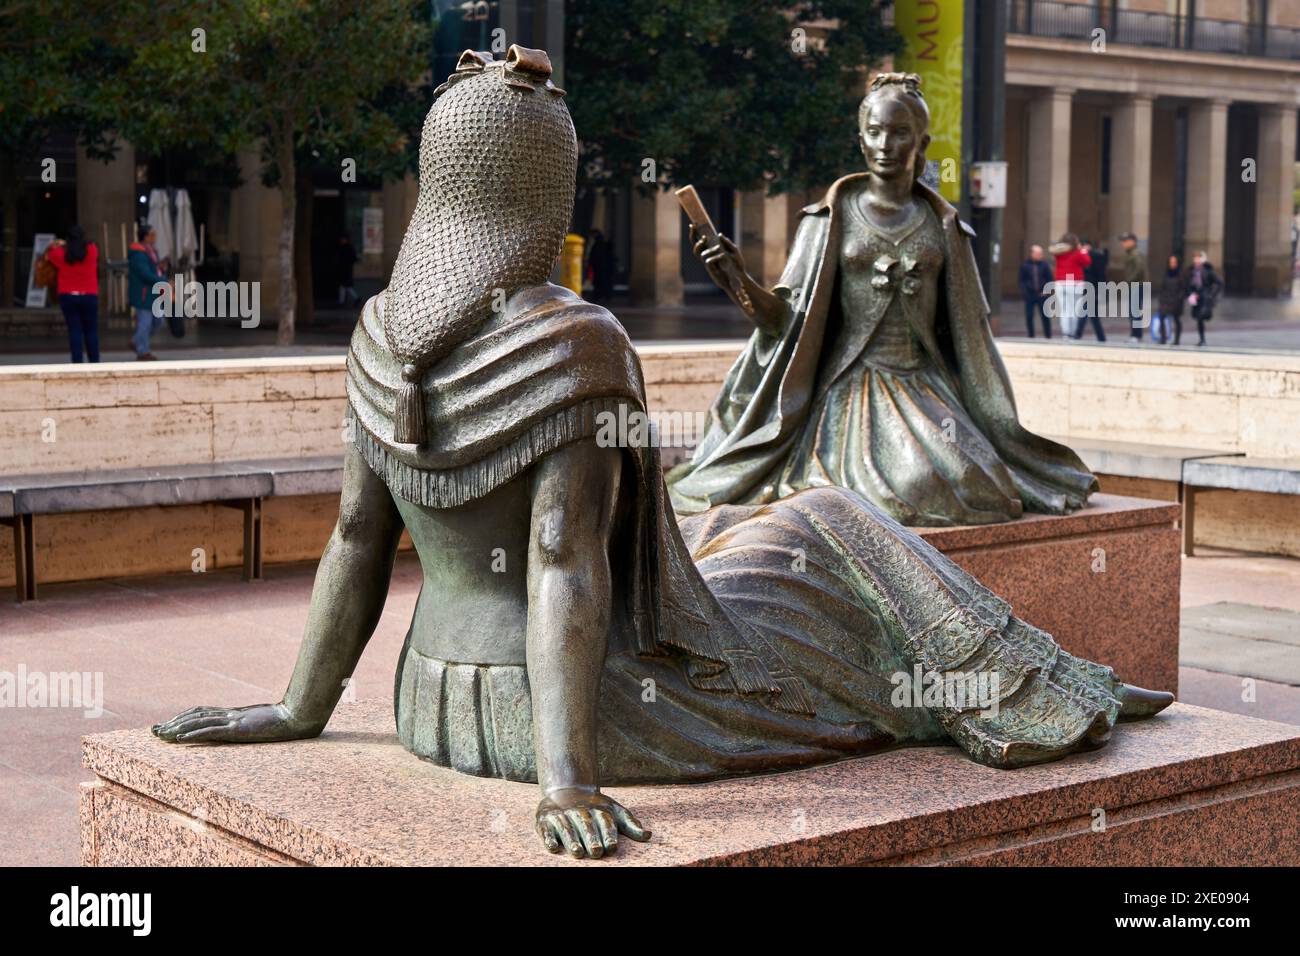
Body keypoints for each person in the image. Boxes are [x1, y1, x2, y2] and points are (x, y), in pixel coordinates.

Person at [150, 50, 1171, 861]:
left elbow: (353, 535)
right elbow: (561, 564)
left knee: (752, 521)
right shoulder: (575, 342)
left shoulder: (377, 334)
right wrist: (566, 783)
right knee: (834, 518)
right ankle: (1043, 681)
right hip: (589, 713)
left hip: (429, 701)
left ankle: (1041, 676)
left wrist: (296, 709)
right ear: (546, 187)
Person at [670, 73, 1097, 526]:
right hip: (852, 387)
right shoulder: (827, 220)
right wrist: (736, 281)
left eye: (899, 133)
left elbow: (969, 337)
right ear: (860, 140)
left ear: (922, 142)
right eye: (874, 132)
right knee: (909, 487)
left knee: (979, 482)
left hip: (925, 385)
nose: (884, 144)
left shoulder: (944, 227)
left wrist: (996, 422)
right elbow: (783, 323)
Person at [44, 225, 100, 363]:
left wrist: (58, 243)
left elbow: (48, 256)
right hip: (89, 294)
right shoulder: (92, 249)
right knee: (91, 330)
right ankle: (94, 362)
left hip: (67, 295)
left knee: (74, 330)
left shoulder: (60, 253)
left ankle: (77, 362)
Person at [127, 223, 166, 360]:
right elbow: (145, 274)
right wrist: (163, 280)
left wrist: (161, 269)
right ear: (145, 237)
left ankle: (137, 341)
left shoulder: (152, 251)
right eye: (152, 235)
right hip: (143, 293)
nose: (154, 237)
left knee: (158, 320)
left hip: (153, 293)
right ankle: (142, 351)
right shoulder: (139, 254)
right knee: (145, 322)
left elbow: (154, 270)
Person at [1050, 233, 1091, 340]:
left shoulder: (1058, 252)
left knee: (1064, 309)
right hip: (1075, 282)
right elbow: (1087, 261)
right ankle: (1072, 333)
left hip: (1061, 282)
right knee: (1074, 309)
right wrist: (1083, 250)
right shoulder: (1077, 253)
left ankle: (1065, 333)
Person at [1185, 251, 1223, 347]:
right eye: (1195, 258)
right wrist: (1191, 294)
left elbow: (1219, 282)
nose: (1196, 260)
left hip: (1205, 298)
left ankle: (1202, 339)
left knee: (1201, 317)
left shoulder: (1208, 271)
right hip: (1195, 299)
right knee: (1198, 319)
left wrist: (1211, 294)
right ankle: (1202, 339)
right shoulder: (1191, 271)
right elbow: (1188, 285)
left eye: (1198, 258)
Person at [1118, 232, 1148, 343]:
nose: (1123, 244)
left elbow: (1139, 269)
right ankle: (1136, 334)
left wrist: (1129, 280)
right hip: (1134, 284)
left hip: (1136, 284)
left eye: (1125, 241)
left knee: (1134, 311)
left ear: (1132, 242)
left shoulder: (1136, 254)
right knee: (1133, 310)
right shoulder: (1130, 253)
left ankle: (1136, 335)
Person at [1018, 244, 1053, 337]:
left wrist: (1046, 292)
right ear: (1032, 254)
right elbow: (1021, 281)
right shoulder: (1025, 265)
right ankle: (1031, 336)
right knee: (1029, 316)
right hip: (1030, 295)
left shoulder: (1045, 265)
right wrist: (1025, 292)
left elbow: (1050, 279)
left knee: (1045, 316)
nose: (1040, 256)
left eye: (1041, 254)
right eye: (1038, 254)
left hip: (1042, 294)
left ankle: (1048, 336)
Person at [1153, 255, 1185, 345]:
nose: (1172, 264)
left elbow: (1183, 288)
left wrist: (1179, 298)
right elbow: (1163, 287)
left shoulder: (1180, 274)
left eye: (1174, 262)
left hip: (1176, 300)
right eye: (1171, 262)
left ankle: (1177, 340)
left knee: (1176, 319)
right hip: (1166, 299)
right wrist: (1161, 298)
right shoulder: (1166, 273)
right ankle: (1163, 338)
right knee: (1162, 316)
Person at [337, 233, 360, 306]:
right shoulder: (346, 248)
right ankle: (342, 301)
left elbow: (352, 258)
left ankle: (356, 298)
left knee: (345, 286)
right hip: (345, 269)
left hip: (346, 270)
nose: (341, 241)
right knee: (344, 286)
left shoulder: (347, 248)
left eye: (343, 239)